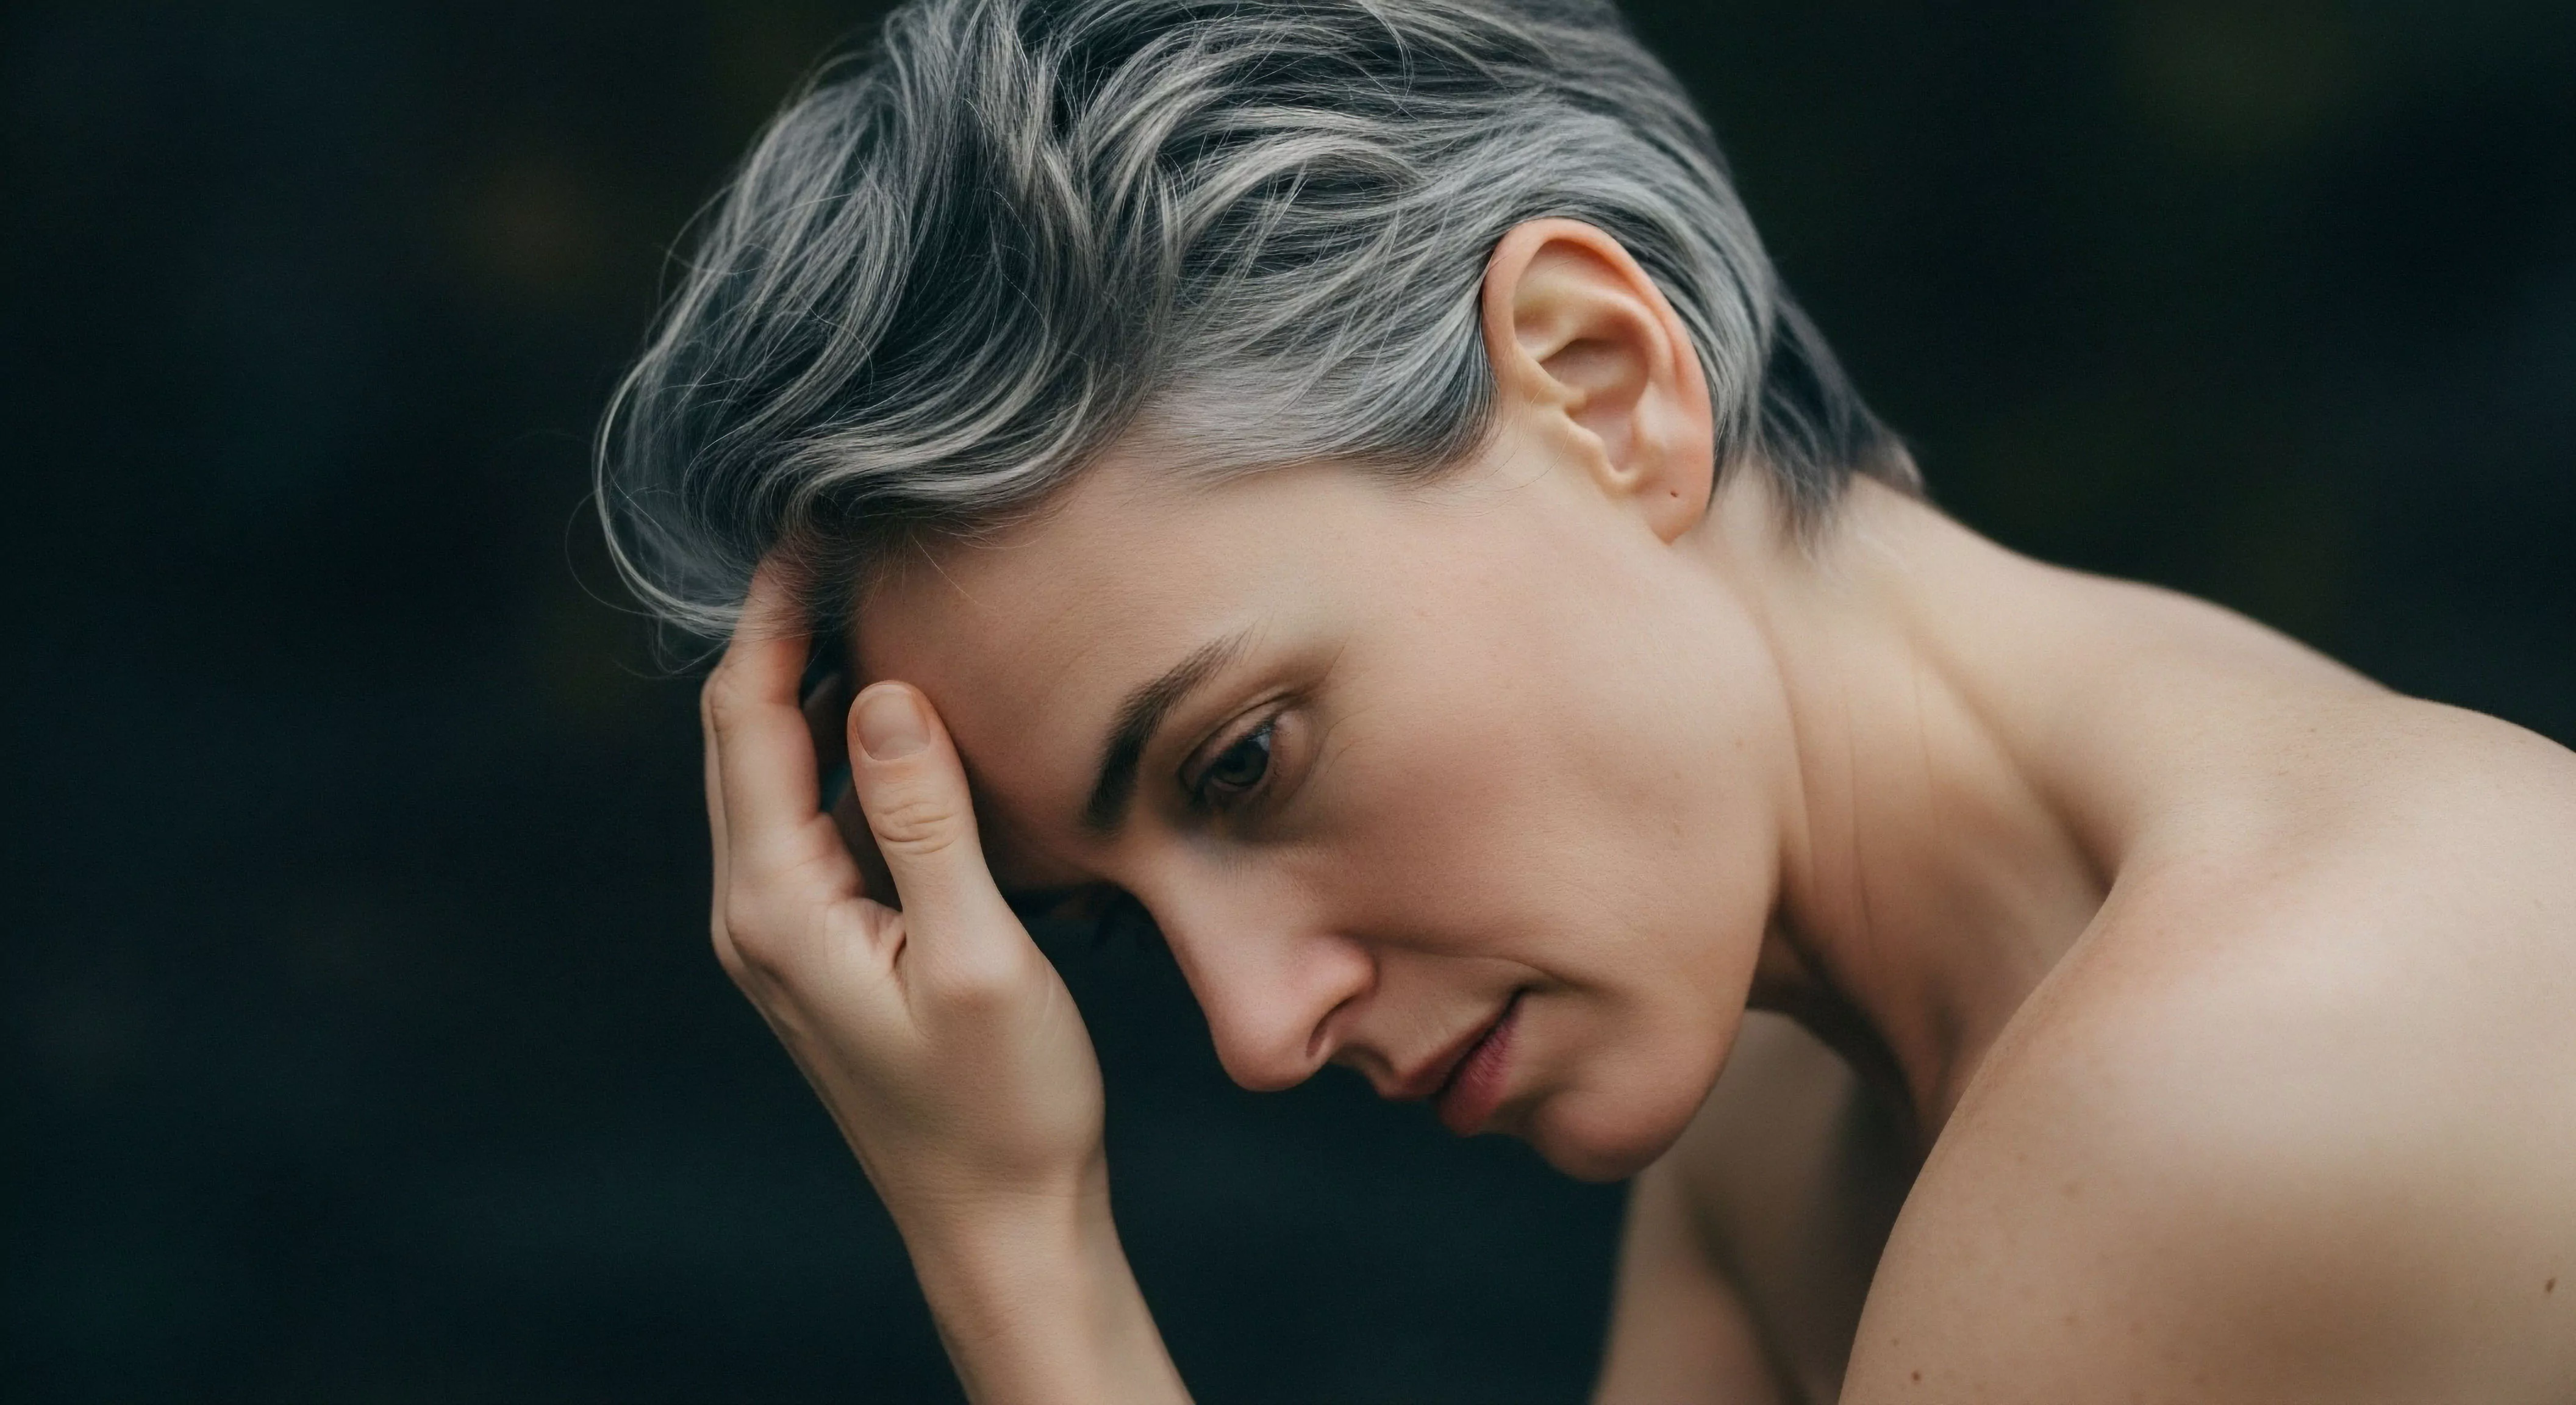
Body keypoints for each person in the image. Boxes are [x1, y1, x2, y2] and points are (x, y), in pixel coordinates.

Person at [595, 0, 2576, 1398]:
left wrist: (1015, 1245)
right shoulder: (1795, 1102)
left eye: (1245, 762)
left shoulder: (2232, 1085)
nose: (1261, 1031)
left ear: (1603, 387)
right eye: (1110, 922)